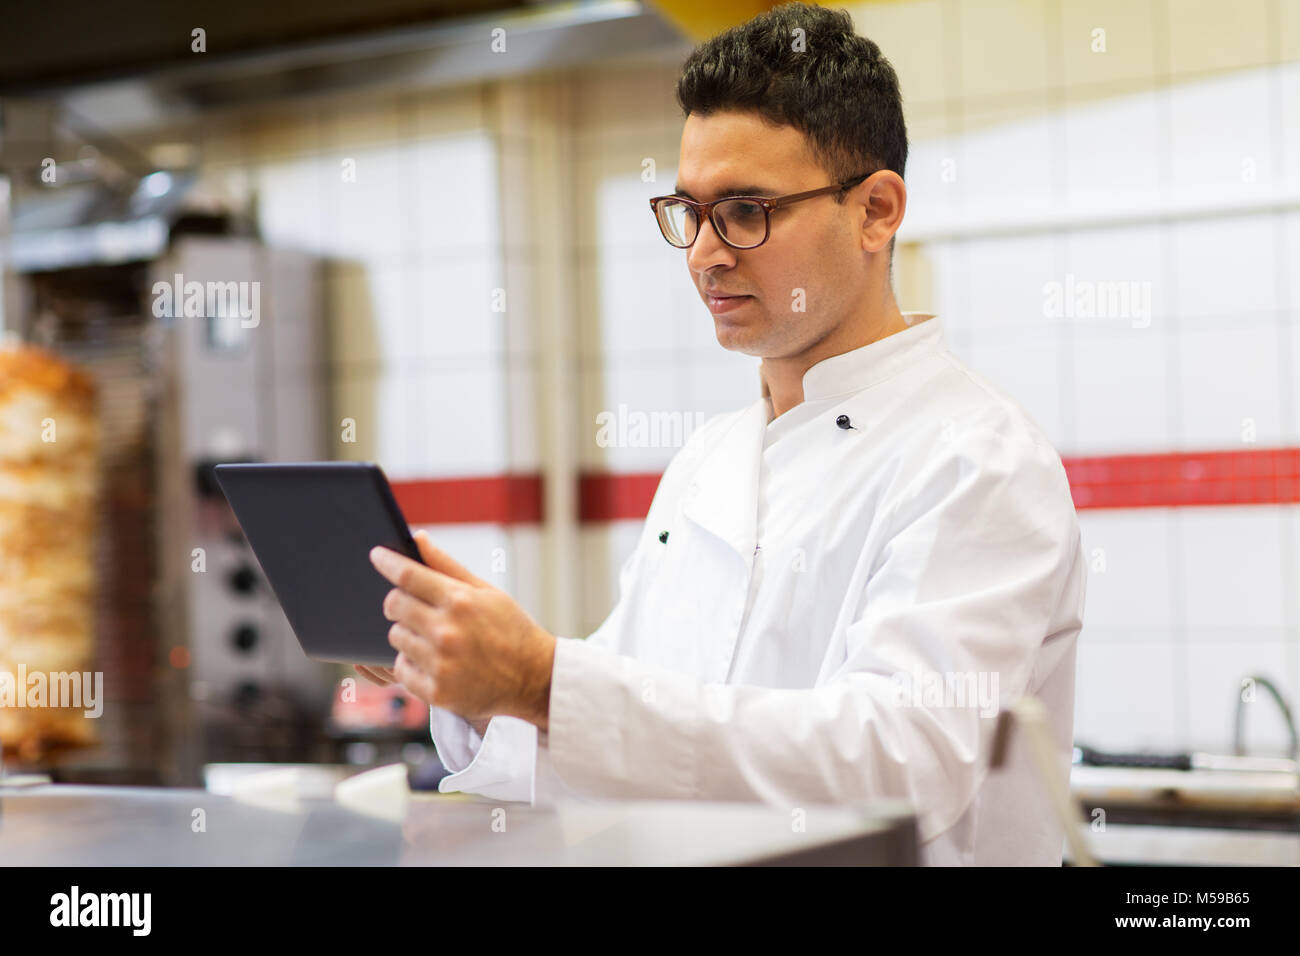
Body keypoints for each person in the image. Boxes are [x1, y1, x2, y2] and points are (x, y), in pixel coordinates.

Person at [359, 1, 1086, 866]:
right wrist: (475, 684)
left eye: (744, 210)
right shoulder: (709, 460)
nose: (704, 253)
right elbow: (624, 749)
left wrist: (545, 680)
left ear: (876, 209)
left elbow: (901, 764)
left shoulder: (977, 458)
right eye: (689, 212)